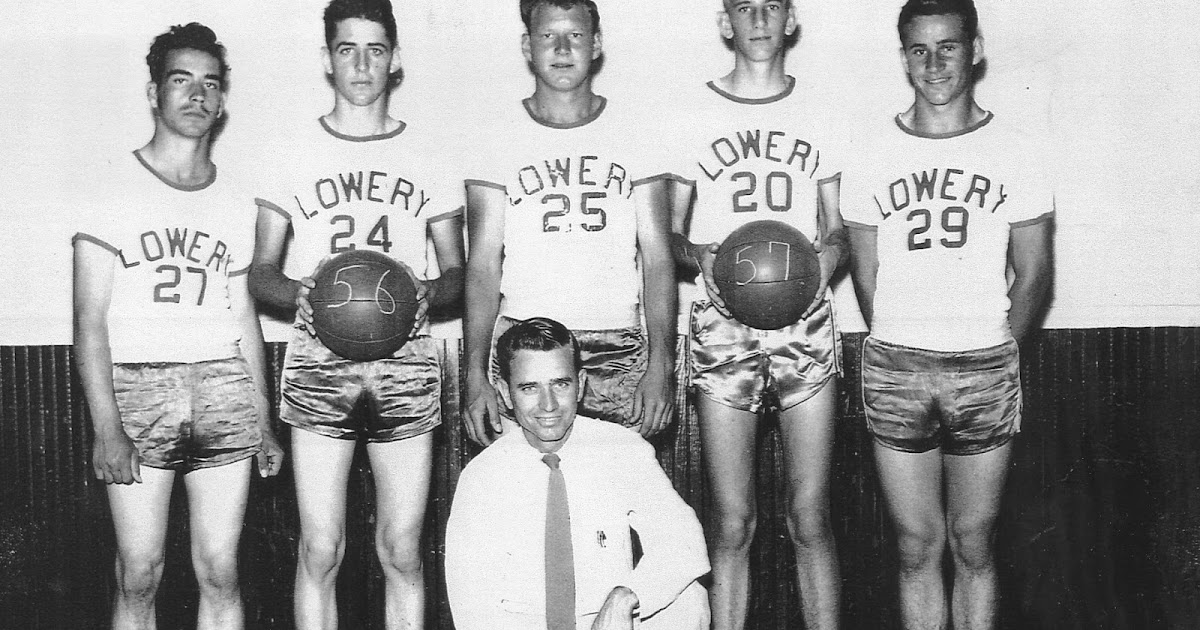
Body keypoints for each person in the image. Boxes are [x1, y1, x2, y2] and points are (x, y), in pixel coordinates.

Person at [247, 0, 465, 627]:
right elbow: (261, 274)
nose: (362, 63)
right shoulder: (289, 151)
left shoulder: (430, 153)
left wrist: (428, 290)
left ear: (395, 59)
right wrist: (303, 296)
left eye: (375, 49)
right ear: (327, 59)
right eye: (347, 49)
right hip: (318, 358)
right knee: (320, 549)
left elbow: (457, 273)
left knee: (401, 550)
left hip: (407, 360)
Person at [843, 1, 1054, 628]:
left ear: (976, 49)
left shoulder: (1018, 146)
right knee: (915, 548)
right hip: (896, 364)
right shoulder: (873, 148)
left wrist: (995, 346)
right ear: (903, 54)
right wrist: (905, 335)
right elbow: (865, 272)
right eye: (918, 49)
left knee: (974, 544)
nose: (933, 63)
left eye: (948, 47)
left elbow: (1035, 272)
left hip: (985, 363)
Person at [73, 22, 284, 630]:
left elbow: (243, 314)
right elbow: (89, 322)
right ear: (153, 93)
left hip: (224, 387)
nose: (197, 94)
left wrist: (262, 421)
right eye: (181, 80)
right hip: (139, 389)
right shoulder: (110, 187)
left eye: (210, 83)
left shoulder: (238, 199)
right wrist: (107, 428)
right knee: (140, 571)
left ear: (221, 101)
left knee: (220, 569)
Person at [664, 1, 847, 628]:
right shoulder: (693, 113)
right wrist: (702, 259)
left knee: (811, 515)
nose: (760, 17)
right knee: (733, 519)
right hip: (723, 324)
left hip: (804, 322)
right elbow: (668, 232)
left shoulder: (821, 110)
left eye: (772, 5)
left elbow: (840, 232)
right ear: (725, 23)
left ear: (791, 18)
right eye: (745, 6)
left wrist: (823, 263)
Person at [461, 0, 677, 446]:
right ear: (527, 45)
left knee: (616, 501)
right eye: (548, 36)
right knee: (528, 499)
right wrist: (474, 374)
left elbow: (657, 259)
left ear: (596, 44)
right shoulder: (492, 134)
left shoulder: (638, 129)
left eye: (575, 35)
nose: (562, 48)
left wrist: (661, 365)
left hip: (617, 346)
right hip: (524, 343)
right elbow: (482, 263)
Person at [445, 317, 710, 630]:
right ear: (504, 392)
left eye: (561, 384)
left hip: (606, 623)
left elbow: (684, 542)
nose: (548, 405)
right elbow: (470, 601)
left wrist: (627, 595)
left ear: (581, 384)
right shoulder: (483, 475)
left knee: (689, 598)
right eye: (530, 388)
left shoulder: (621, 448)